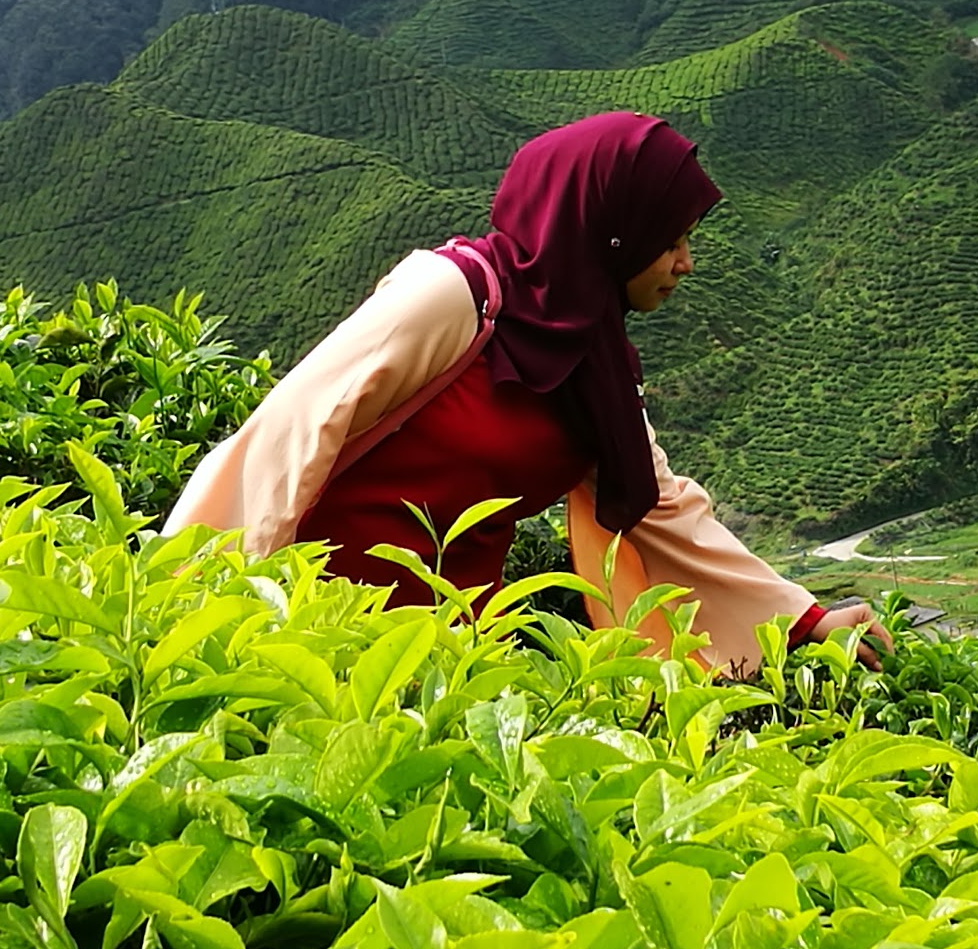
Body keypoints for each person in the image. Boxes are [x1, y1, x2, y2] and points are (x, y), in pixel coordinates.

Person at [163, 111, 890, 671]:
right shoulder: (453, 297)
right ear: (613, 231)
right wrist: (196, 604)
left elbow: (662, 508)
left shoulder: (594, 363)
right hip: (312, 634)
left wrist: (803, 621)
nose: (686, 264)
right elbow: (290, 435)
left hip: (455, 659)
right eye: (670, 240)